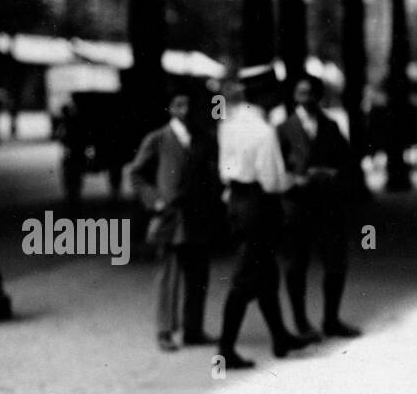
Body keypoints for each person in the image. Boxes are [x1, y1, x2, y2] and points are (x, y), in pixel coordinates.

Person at [215, 65, 309, 370]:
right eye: (274, 91)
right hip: (259, 205)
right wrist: (294, 181)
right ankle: (225, 350)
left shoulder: (229, 124)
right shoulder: (264, 131)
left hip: (237, 201)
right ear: (264, 94)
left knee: (266, 274)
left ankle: (281, 337)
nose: (278, 96)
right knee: (246, 279)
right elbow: (272, 181)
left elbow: (225, 170)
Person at [128, 92, 219, 351]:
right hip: (171, 216)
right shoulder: (157, 139)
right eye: (179, 104)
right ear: (170, 108)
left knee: (198, 273)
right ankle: (165, 331)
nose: (185, 110)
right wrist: (154, 201)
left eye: (189, 104)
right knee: (169, 274)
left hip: (198, 215)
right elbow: (136, 174)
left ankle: (193, 329)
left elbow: (214, 171)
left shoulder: (204, 138)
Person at [277, 75, 362, 342]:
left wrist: (332, 173)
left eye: (312, 94)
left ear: (319, 96)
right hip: (297, 205)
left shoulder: (331, 126)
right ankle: (301, 322)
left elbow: (348, 162)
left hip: (327, 204)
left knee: (336, 262)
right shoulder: (283, 129)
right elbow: (275, 168)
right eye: (301, 93)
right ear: (294, 96)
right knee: (296, 265)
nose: (307, 99)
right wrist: (296, 177)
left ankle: (331, 319)